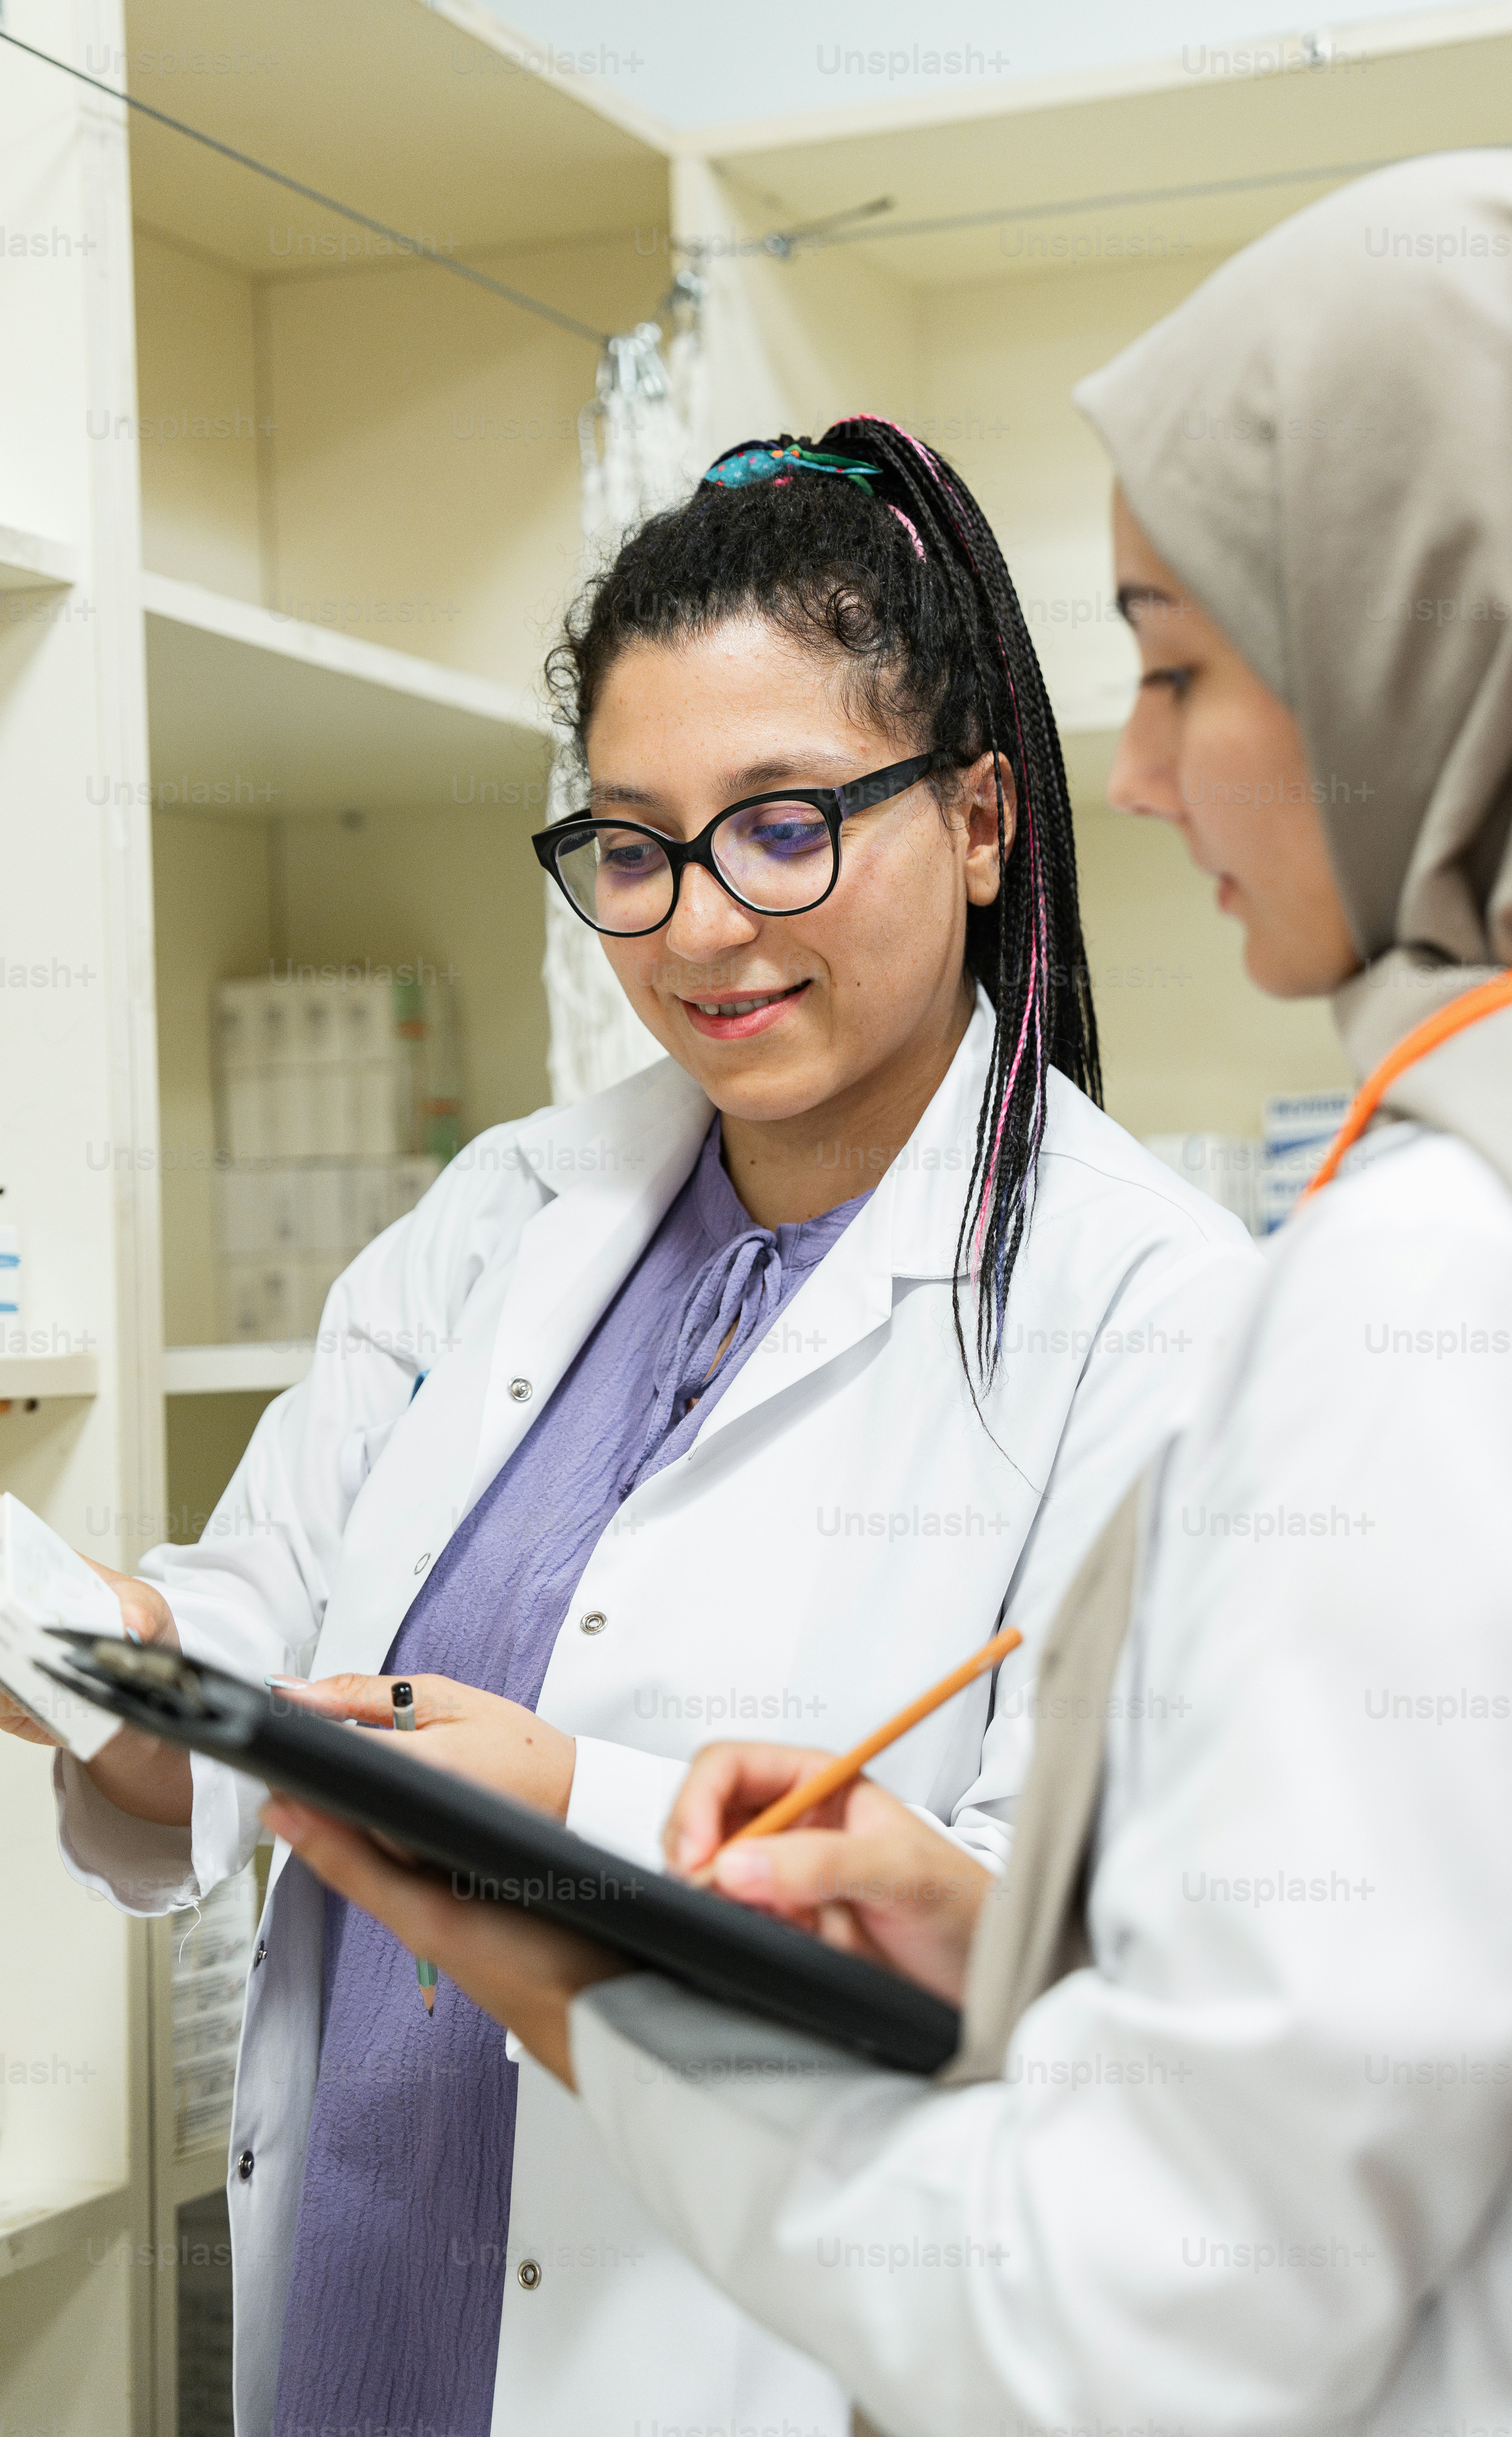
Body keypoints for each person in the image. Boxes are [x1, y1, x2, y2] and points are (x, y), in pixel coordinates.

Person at [271, 153, 1512, 2437]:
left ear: (1435, 634)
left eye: (1187, 663)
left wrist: (570, 1957)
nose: (1149, 766)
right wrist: (998, 1929)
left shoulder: (1443, 1259)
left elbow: (1165, 2298)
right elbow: (1430, 1978)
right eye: (630, 845)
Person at [3, 418, 1258, 2437]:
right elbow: (245, 1656)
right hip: (352, 2312)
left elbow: (1074, 1970)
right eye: (634, 843)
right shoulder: (502, 1213)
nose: (695, 923)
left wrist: (561, 1814)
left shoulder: (1152, 1313)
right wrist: (62, 1650)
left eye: (785, 824)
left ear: (988, 817)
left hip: (724, 2357)